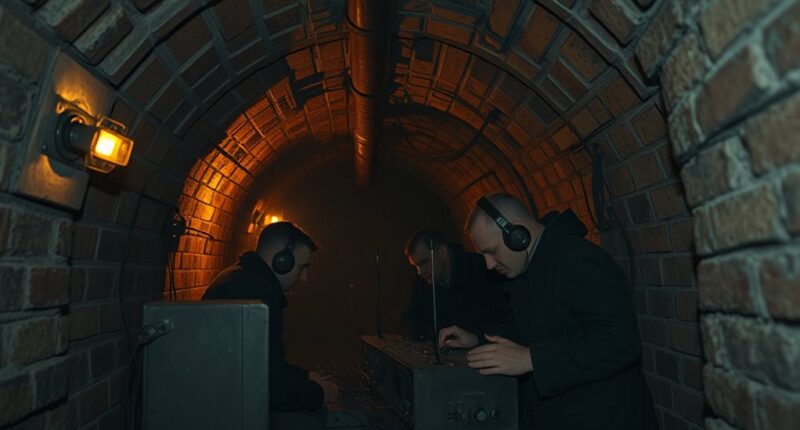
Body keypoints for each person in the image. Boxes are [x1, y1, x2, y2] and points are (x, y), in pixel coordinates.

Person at [439, 194, 657, 430]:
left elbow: (621, 341)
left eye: (491, 251)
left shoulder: (578, 259)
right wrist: (477, 338)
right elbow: (529, 330)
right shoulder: (529, 270)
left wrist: (532, 359)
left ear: (516, 234)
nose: (489, 265)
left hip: (607, 418)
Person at [202, 221, 337, 429]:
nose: (304, 278)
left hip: (222, 403)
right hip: (227, 414)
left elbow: (265, 364)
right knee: (316, 419)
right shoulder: (256, 292)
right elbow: (272, 389)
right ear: (282, 261)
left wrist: (304, 376)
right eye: (302, 268)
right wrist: (320, 393)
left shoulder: (242, 278)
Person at [400, 229, 508, 342]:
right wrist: (417, 332)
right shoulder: (421, 281)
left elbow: (504, 320)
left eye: (424, 262)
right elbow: (411, 316)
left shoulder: (481, 268)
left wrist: (477, 337)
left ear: (442, 251)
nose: (420, 271)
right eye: (416, 266)